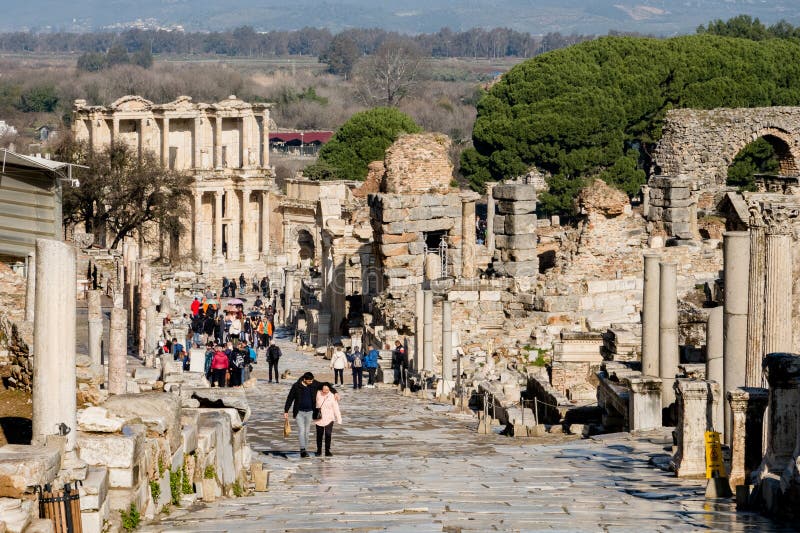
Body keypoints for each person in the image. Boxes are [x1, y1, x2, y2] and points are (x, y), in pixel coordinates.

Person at [284, 372, 337, 458]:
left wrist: (335, 392)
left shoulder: (314, 383)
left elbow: (325, 385)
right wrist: (286, 410)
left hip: (310, 412)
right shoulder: (296, 386)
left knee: (307, 432)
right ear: (304, 380)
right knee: (301, 430)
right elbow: (290, 398)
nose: (311, 382)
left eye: (312, 381)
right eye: (309, 381)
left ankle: (305, 449)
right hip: (299, 412)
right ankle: (302, 450)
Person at [314, 383, 342, 457]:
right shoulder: (318, 393)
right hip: (319, 418)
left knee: (328, 435)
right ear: (321, 389)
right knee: (319, 435)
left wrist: (339, 418)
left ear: (330, 389)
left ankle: (327, 451)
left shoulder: (332, 396)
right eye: (324, 389)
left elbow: (336, 408)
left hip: (329, 418)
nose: (325, 391)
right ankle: (319, 450)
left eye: (327, 389)